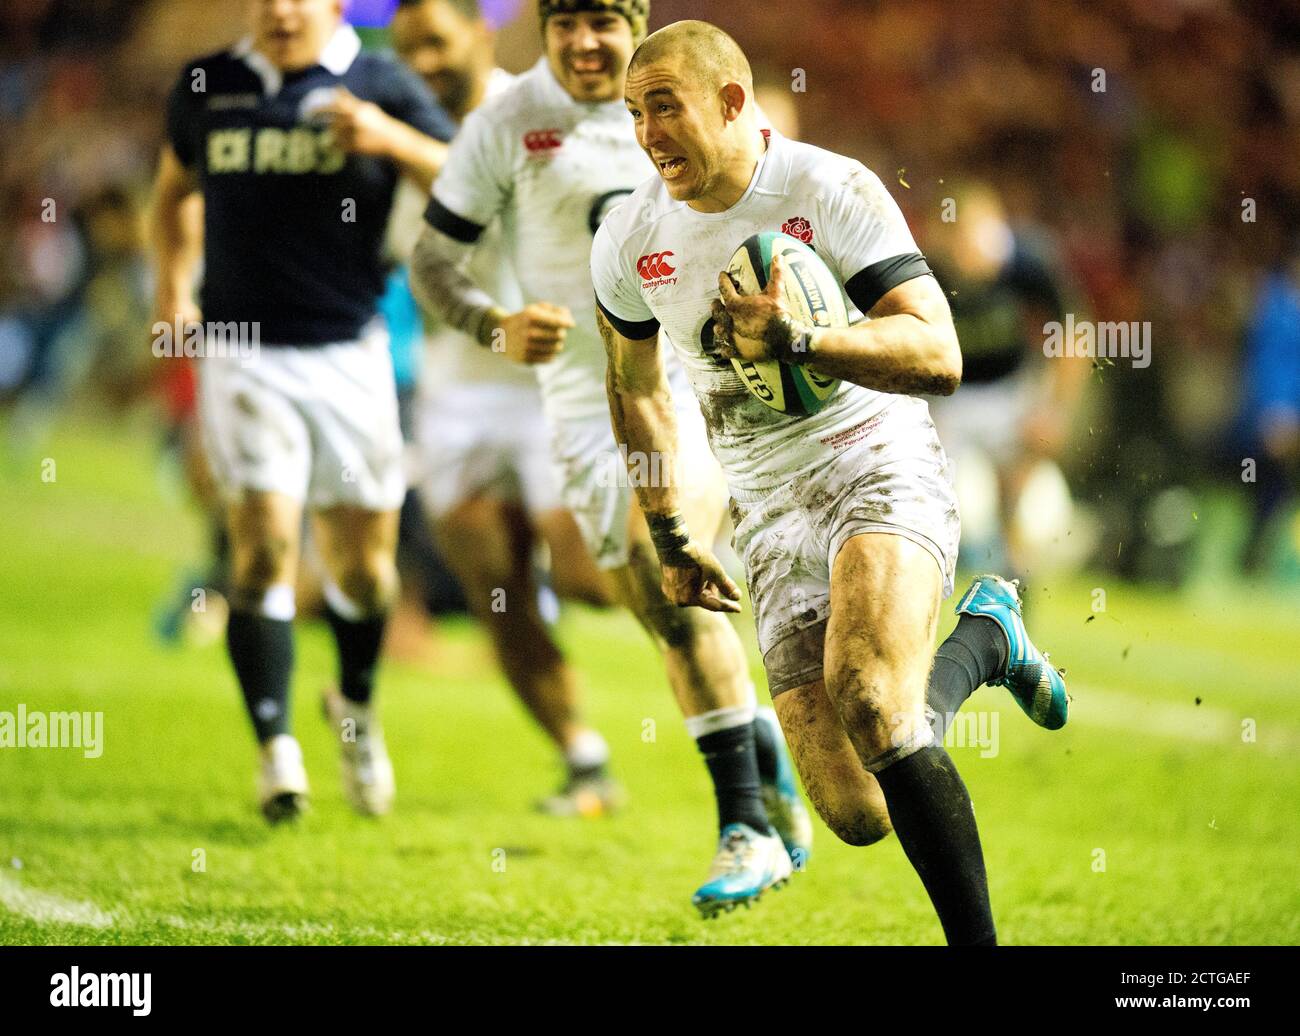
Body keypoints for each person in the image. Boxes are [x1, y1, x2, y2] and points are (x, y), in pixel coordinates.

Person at [593, 20, 1070, 944]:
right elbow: (636, 386)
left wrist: (803, 342)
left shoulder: (827, 187)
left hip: (872, 459)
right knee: (858, 809)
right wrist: (669, 534)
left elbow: (938, 352)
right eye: (633, 112)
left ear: (733, 103)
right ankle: (986, 639)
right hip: (765, 507)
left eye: (665, 106)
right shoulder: (630, 235)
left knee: (874, 699)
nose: (648, 132)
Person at [409, 0, 811, 915]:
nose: (586, 42)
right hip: (585, 411)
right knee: (658, 607)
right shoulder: (504, 125)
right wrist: (489, 321)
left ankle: (743, 825)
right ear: (544, 30)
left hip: (691, 379)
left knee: (654, 559)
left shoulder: (684, 103)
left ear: (635, 21)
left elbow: (774, 198)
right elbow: (436, 258)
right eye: (567, 23)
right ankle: (761, 744)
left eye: (605, 21)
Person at [149, 0, 455, 821]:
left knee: (363, 571)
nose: (281, 10)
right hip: (242, 351)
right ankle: (276, 752)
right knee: (261, 552)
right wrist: (173, 291)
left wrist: (388, 139)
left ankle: (354, 706)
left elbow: (464, 177)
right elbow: (172, 192)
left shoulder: (380, 80)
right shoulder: (208, 83)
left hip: (350, 352)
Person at [390, 0, 620, 814]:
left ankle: (713, 642)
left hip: (554, 388)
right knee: (498, 592)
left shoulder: (533, 114)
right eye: (406, 46)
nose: (421, 61)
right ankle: (583, 759)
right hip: (455, 397)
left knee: (595, 575)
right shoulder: (386, 134)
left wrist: (390, 142)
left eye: (437, 44)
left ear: (481, 37)